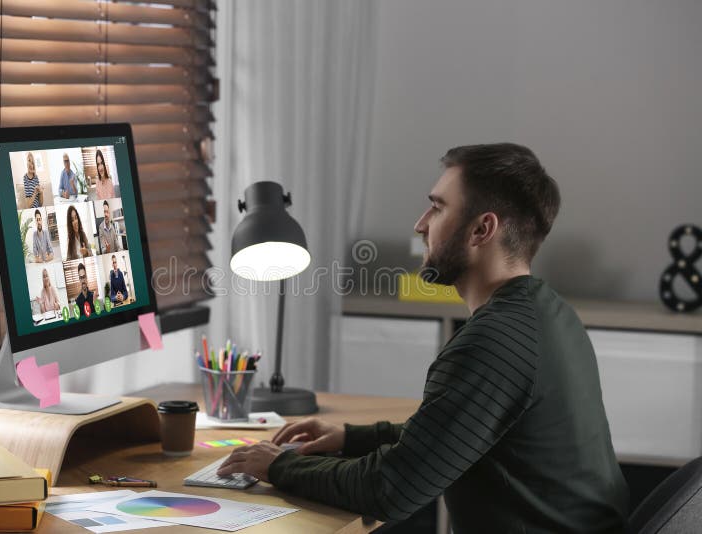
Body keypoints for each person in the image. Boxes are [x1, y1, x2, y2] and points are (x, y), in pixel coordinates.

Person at [216, 143, 629, 533]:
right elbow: (455, 431)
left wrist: (277, 466)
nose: (420, 224)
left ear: (481, 229)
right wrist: (352, 437)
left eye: (437, 207)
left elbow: (390, 489)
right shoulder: (547, 312)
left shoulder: (494, 343)